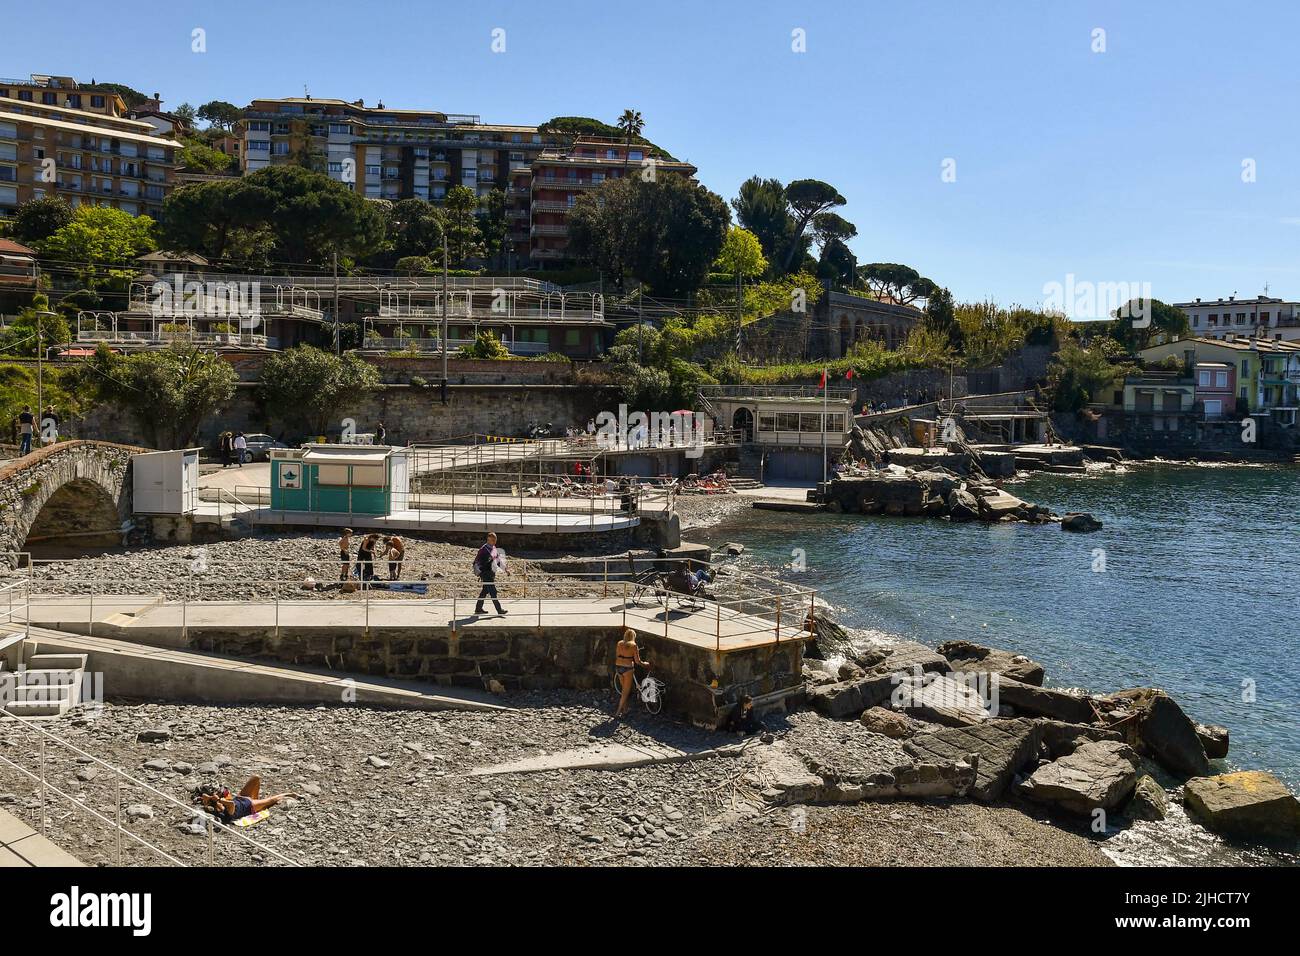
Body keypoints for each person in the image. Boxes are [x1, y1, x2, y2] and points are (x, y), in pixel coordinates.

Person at [191, 776, 301, 825]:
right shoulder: (227, 813)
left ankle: (256, 797)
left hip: (241, 797)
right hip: (250, 805)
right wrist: (219, 799)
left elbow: (205, 798)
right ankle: (289, 794)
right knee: (271, 800)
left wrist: (212, 799)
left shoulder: (214, 806)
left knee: (256, 778)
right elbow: (231, 804)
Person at [614, 628, 649, 719]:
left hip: (618, 667)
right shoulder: (634, 645)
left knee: (623, 690)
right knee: (626, 691)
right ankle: (618, 712)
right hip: (628, 668)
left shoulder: (619, 643)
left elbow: (617, 655)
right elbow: (638, 661)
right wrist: (645, 664)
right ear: (634, 637)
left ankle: (625, 709)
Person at [473, 531, 506, 615]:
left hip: (490, 573)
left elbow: (498, 561)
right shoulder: (483, 549)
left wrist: (505, 569)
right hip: (485, 573)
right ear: (488, 540)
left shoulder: (493, 548)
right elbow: (476, 561)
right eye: (493, 540)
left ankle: (478, 609)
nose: (495, 541)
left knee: (485, 591)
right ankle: (499, 610)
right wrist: (480, 572)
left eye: (495, 540)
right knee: (493, 591)